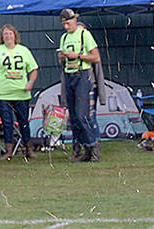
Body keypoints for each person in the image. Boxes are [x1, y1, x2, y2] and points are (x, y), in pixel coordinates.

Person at [0, 23, 38, 159]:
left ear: (15, 35)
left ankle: (29, 148)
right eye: (5, 34)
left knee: (23, 121)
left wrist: (31, 82)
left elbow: (33, 69)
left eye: (10, 33)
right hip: (3, 94)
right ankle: (8, 150)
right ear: (2, 37)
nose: (8, 36)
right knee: (7, 122)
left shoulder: (24, 50)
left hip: (21, 93)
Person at [57, 9, 101, 162]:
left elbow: (96, 57)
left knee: (82, 115)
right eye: (64, 24)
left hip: (83, 75)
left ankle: (94, 147)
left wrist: (79, 56)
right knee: (74, 117)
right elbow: (62, 63)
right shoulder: (64, 38)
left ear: (74, 20)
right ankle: (85, 149)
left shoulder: (84, 35)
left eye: (68, 23)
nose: (66, 27)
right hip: (69, 75)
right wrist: (62, 57)